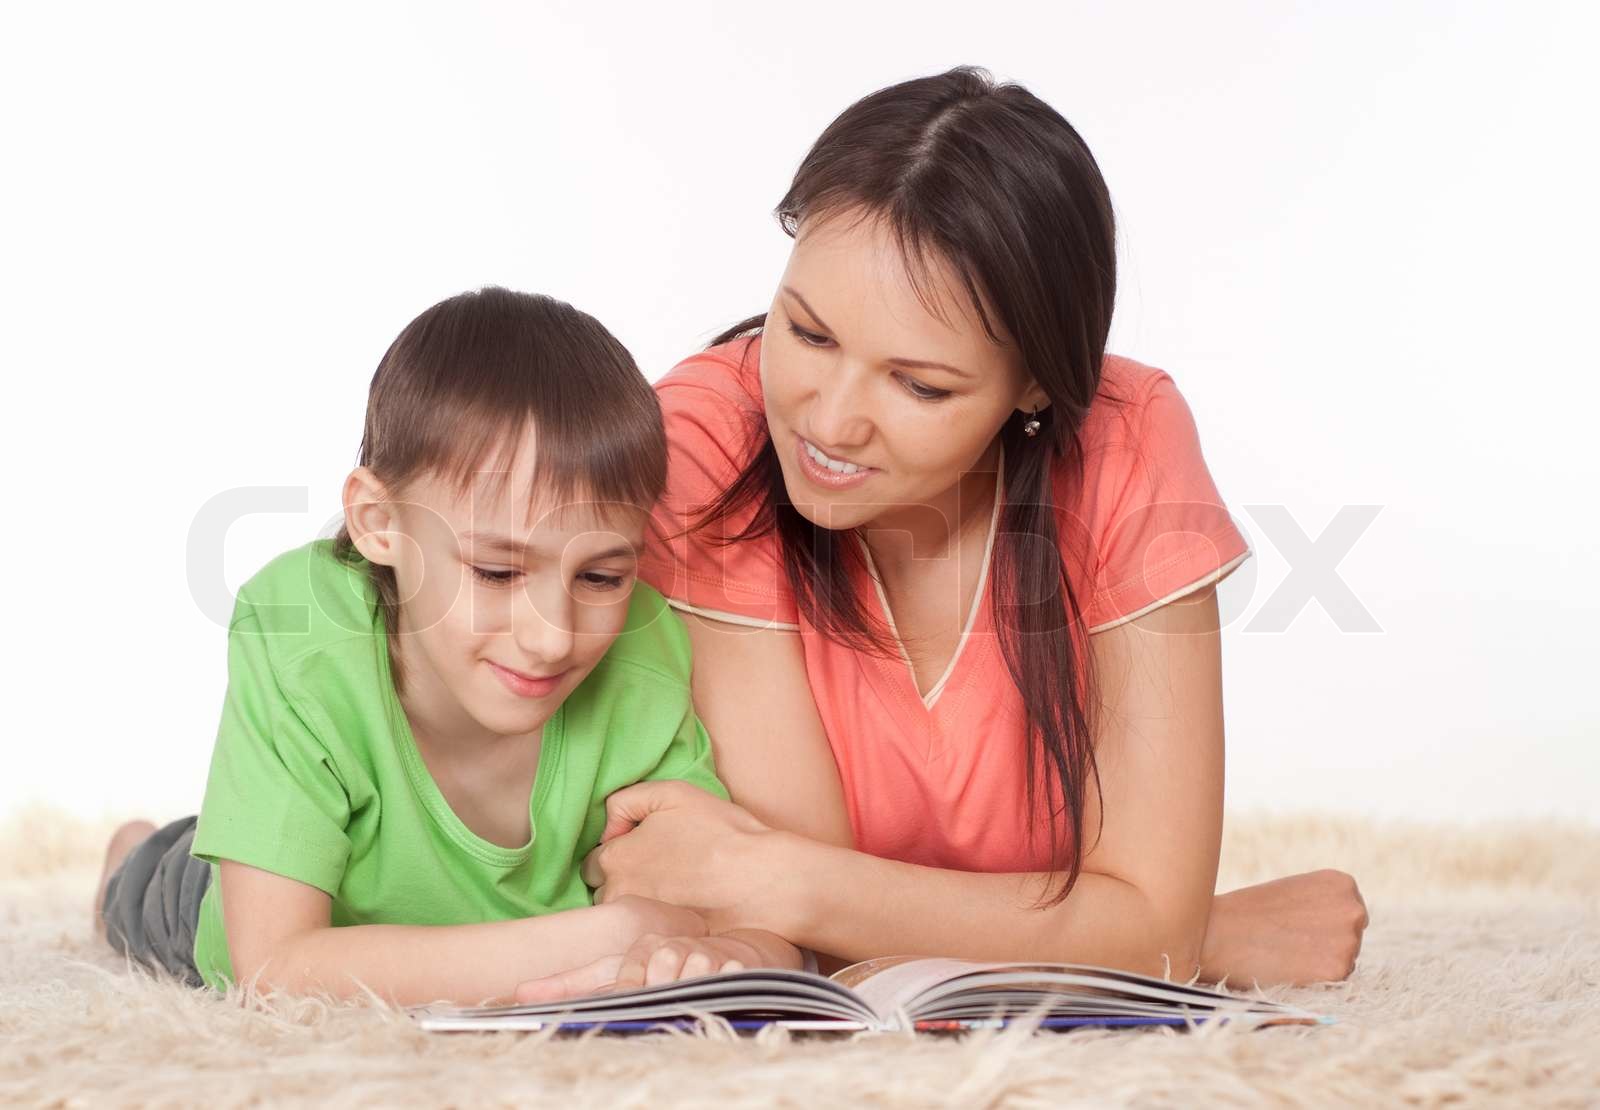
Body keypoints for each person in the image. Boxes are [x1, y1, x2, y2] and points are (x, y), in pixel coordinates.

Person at [514, 67, 1367, 1002]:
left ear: (1035, 384)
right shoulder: (711, 437)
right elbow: (806, 951)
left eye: (920, 386)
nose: (831, 422)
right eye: (807, 333)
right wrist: (1175, 934)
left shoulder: (1128, 440)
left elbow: (784, 887)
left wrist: (783, 882)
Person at [92, 287, 802, 1007]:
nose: (553, 636)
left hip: (487, 929)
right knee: (150, 882)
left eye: (601, 577)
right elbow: (273, 967)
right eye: (496, 571)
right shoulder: (299, 631)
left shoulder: (646, 654)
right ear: (378, 523)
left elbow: (738, 912)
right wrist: (601, 939)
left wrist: (739, 950)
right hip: (249, 902)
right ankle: (130, 852)